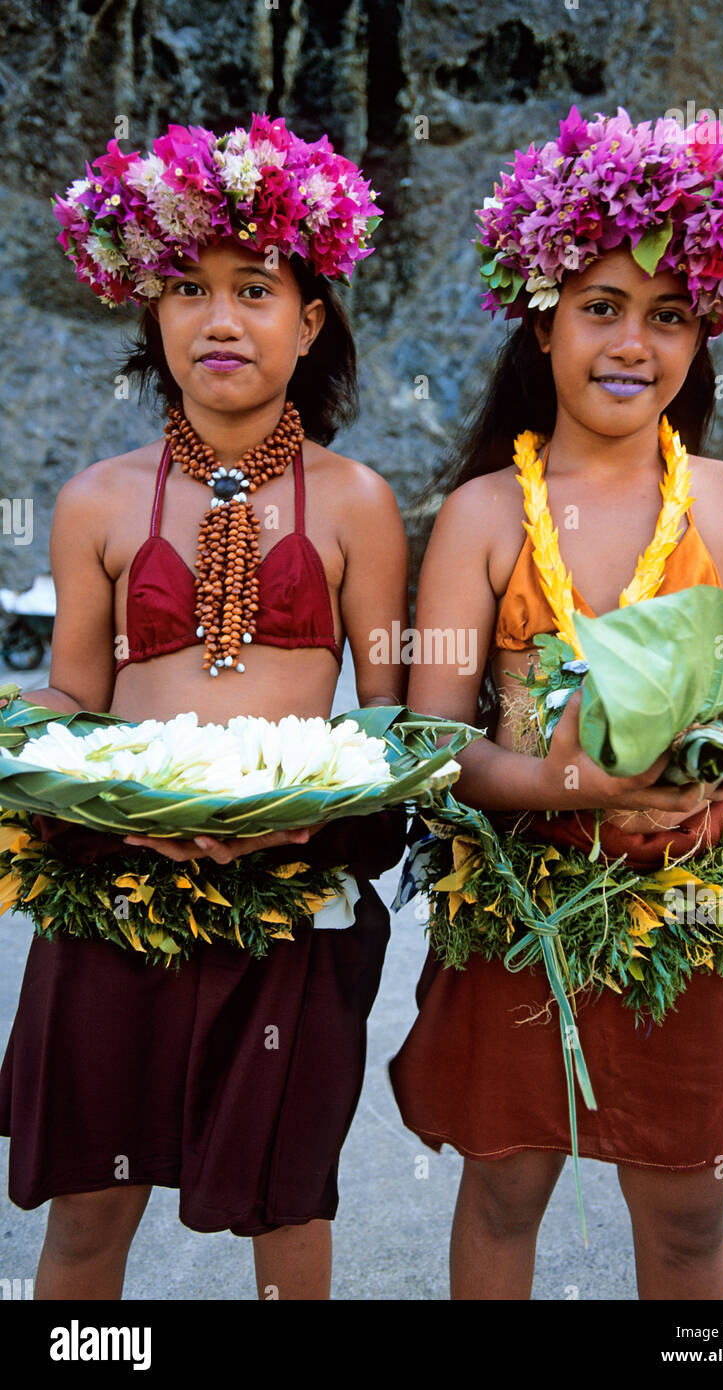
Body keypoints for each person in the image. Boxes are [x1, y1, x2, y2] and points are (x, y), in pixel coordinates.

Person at [390, 107, 723, 1300]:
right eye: (600, 307)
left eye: (669, 313)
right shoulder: (483, 514)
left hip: (695, 902)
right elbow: (434, 745)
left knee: (688, 1208)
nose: (633, 342)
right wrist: (562, 782)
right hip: (522, 897)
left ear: (704, 332)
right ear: (542, 321)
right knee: (503, 1185)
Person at [0, 115, 409, 1300]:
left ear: (311, 317)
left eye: (255, 287)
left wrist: (309, 815)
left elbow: (391, 716)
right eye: (186, 287)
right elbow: (74, 688)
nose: (220, 318)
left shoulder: (356, 503)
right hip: (114, 883)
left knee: (285, 1212)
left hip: (289, 901)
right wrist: (60, 758)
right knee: (84, 1212)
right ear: (150, 314)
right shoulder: (98, 500)